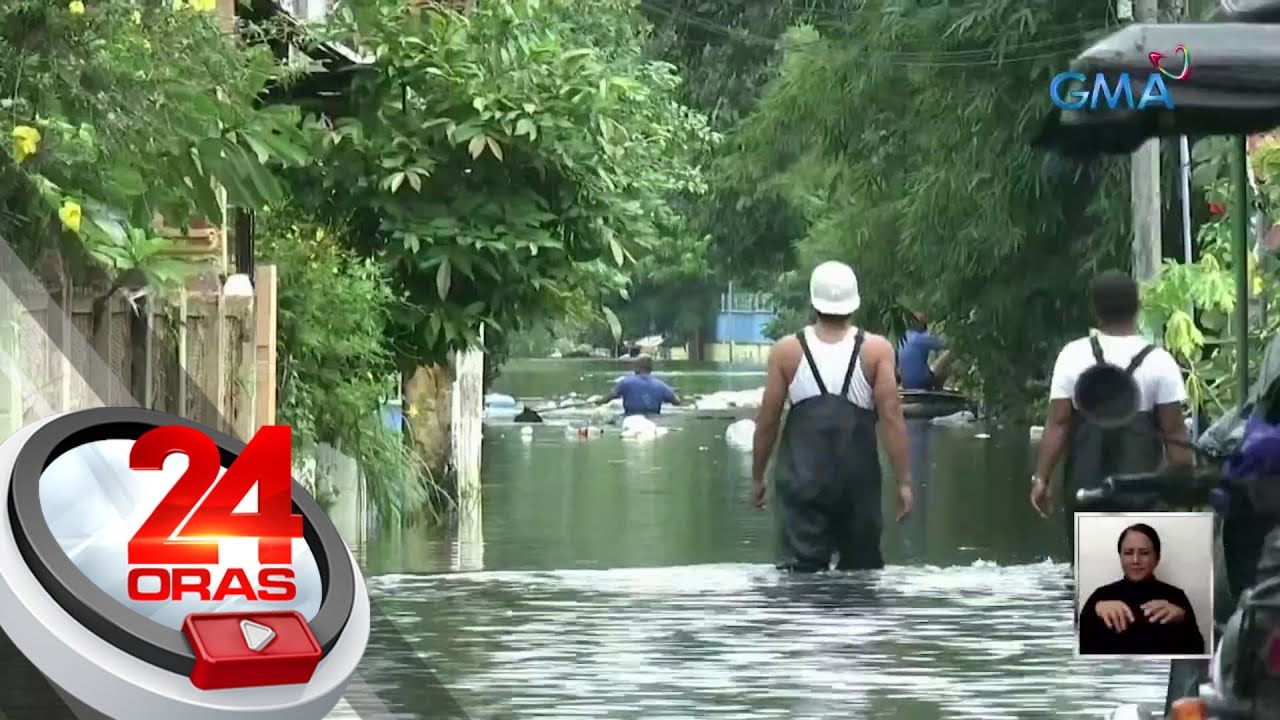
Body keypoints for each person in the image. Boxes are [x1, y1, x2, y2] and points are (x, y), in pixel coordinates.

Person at [750, 261, 913, 572]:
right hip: (859, 484)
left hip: (802, 482)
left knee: (800, 576)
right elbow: (892, 418)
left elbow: (768, 421)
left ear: (813, 302)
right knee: (861, 575)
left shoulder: (787, 351)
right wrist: (904, 481)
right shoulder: (877, 350)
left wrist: (758, 477)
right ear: (855, 302)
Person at [1031, 270, 1191, 552]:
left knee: (1087, 572)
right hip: (1143, 491)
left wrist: (1041, 479)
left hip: (1085, 491)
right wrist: (1185, 493)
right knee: (1141, 566)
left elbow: (1059, 423)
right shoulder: (1159, 361)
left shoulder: (1073, 355)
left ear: (1094, 310)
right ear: (1138, 306)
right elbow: (1174, 431)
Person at [1079, 523, 1206, 656]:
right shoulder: (1102, 595)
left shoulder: (1175, 597)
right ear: (1120, 557)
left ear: (1157, 558)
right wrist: (1093, 612)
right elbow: (1079, 647)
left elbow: (1197, 652)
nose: (1135, 560)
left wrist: (1183, 620)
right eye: (1128, 553)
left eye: (1144, 553)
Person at [597, 356, 681, 416]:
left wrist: (596, 402)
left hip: (630, 418)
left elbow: (609, 397)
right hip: (654, 418)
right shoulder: (661, 385)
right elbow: (677, 402)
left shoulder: (626, 382)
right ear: (651, 369)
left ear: (637, 367)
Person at [898, 311, 954, 391]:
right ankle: (938, 389)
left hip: (906, 384)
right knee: (951, 352)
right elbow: (945, 344)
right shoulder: (921, 338)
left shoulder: (902, 338)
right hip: (923, 383)